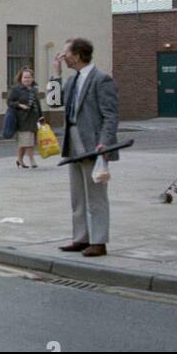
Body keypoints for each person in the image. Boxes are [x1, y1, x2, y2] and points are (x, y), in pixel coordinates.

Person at [51, 37, 119, 258]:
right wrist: (56, 74)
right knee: (77, 195)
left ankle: (98, 241)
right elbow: (53, 102)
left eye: (65, 53)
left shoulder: (102, 80)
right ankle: (81, 238)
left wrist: (105, 142)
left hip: (94, 144)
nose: (63, 57)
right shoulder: (71, 81)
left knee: (96, 196)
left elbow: (110, 115)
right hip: (73, 143)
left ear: (78, 55)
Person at [8, 67, 43, 169]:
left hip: (34, 119)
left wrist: (41, 117)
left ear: (32, 78)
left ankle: (19, 159)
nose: (27, 79)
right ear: (20, 78)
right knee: (28, 141)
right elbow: (9, 102)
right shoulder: (16, 89)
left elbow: (38, 104)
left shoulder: (34, 90)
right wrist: (20, 105)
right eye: (25, 77)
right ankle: (32, 160)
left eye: (29, 77)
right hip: (22, 119)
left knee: (24, 142)